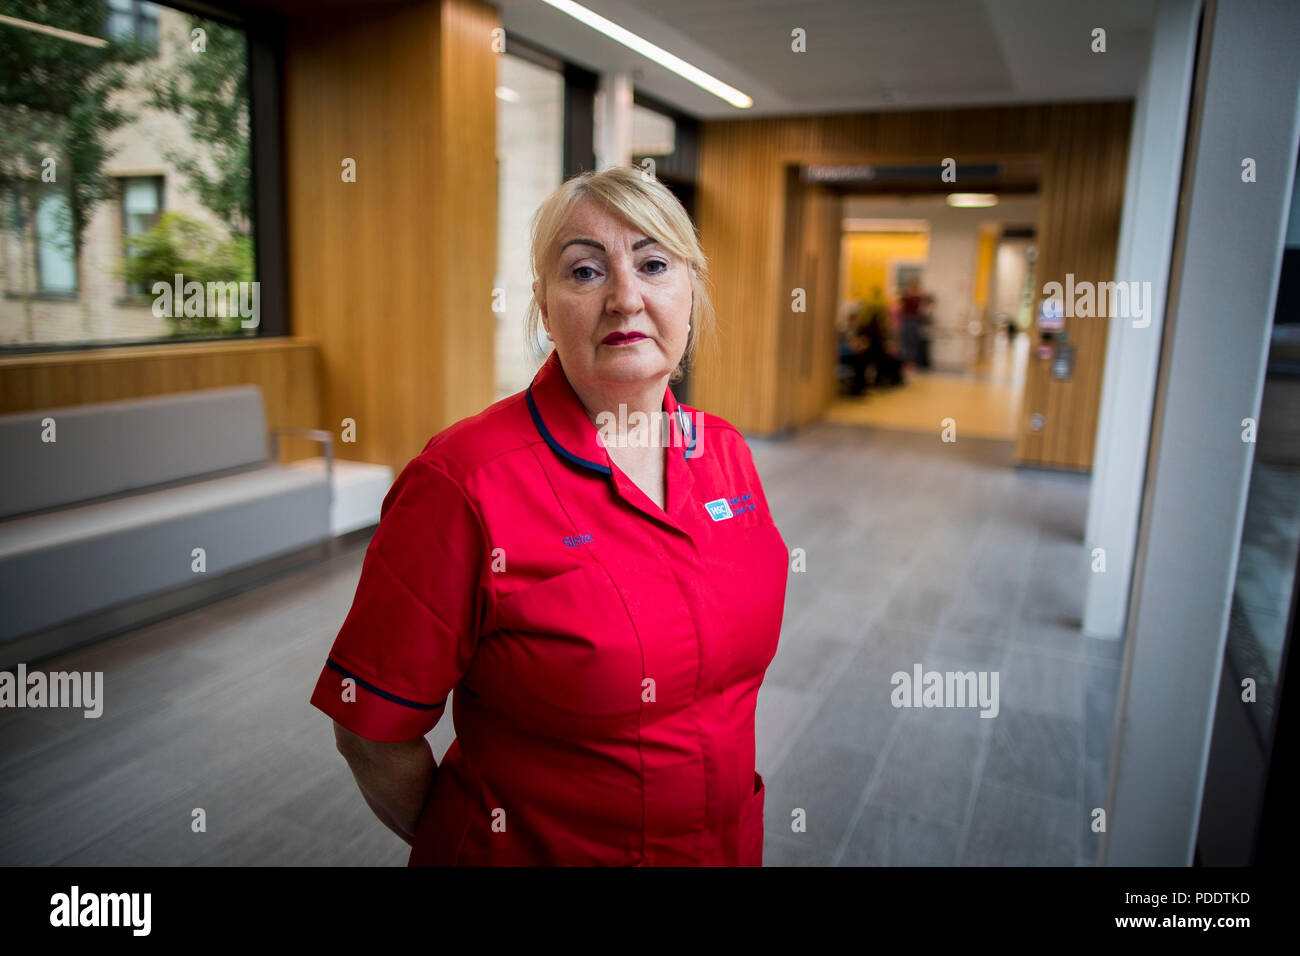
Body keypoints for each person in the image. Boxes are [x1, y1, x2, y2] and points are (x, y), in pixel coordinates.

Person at [309, 166, 790, 866]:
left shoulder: (724, 454)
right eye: (586, 272)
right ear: (543, 304)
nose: (626, 298)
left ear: (692, 289)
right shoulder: (464, 482)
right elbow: (370, 732)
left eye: (653, 264)